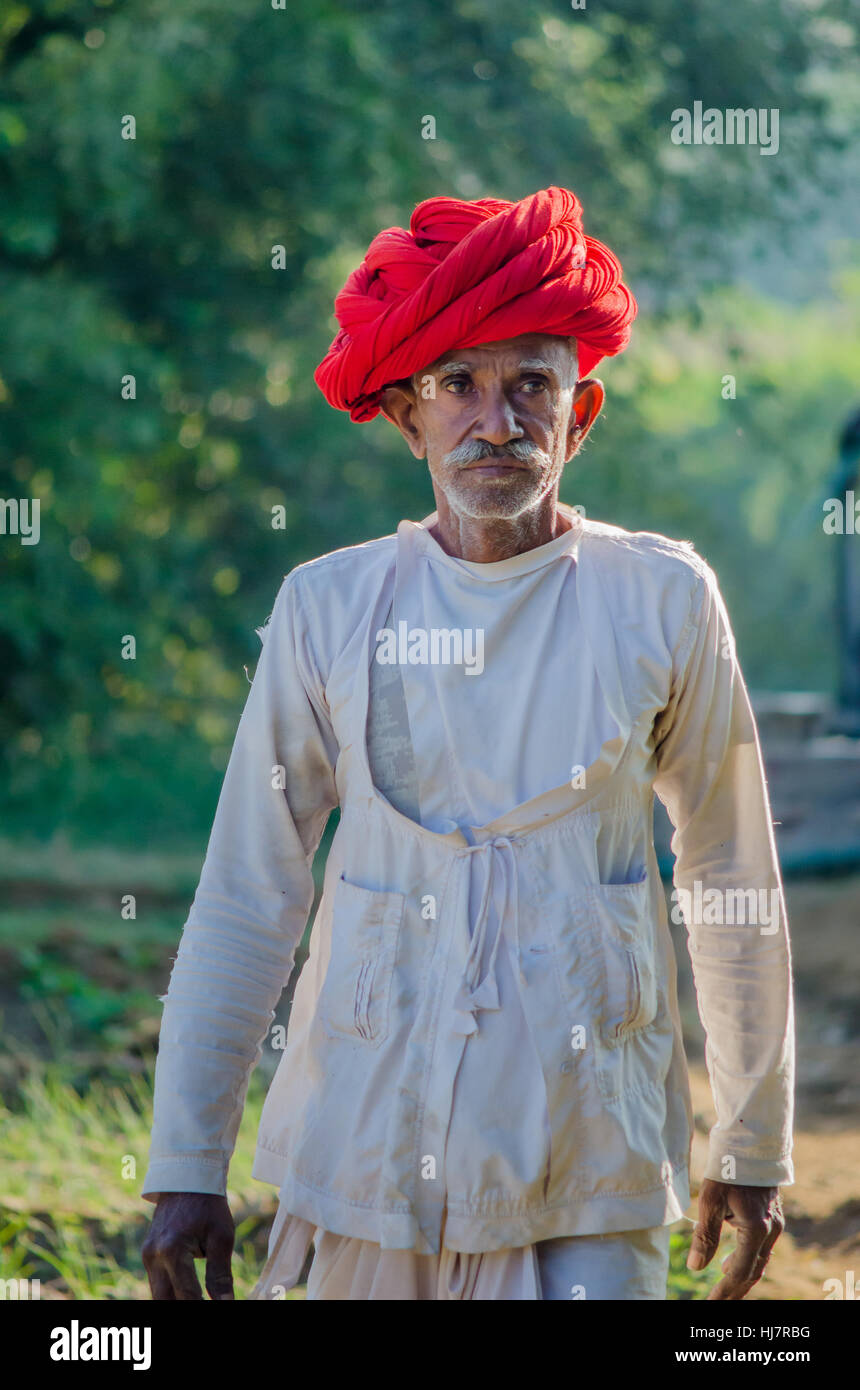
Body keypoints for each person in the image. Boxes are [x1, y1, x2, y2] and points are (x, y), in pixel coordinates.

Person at [141, 186, 793, 1301]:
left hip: (591, 1161)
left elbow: (730, 872)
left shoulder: (662, 598)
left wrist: (750, 1144)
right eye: (457, 386)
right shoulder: (327, 606)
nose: (496, 422)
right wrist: (183, 1166)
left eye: (529, 386)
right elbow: (251, 891)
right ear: (409, 420)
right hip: (359, 1152)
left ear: (578, 416)